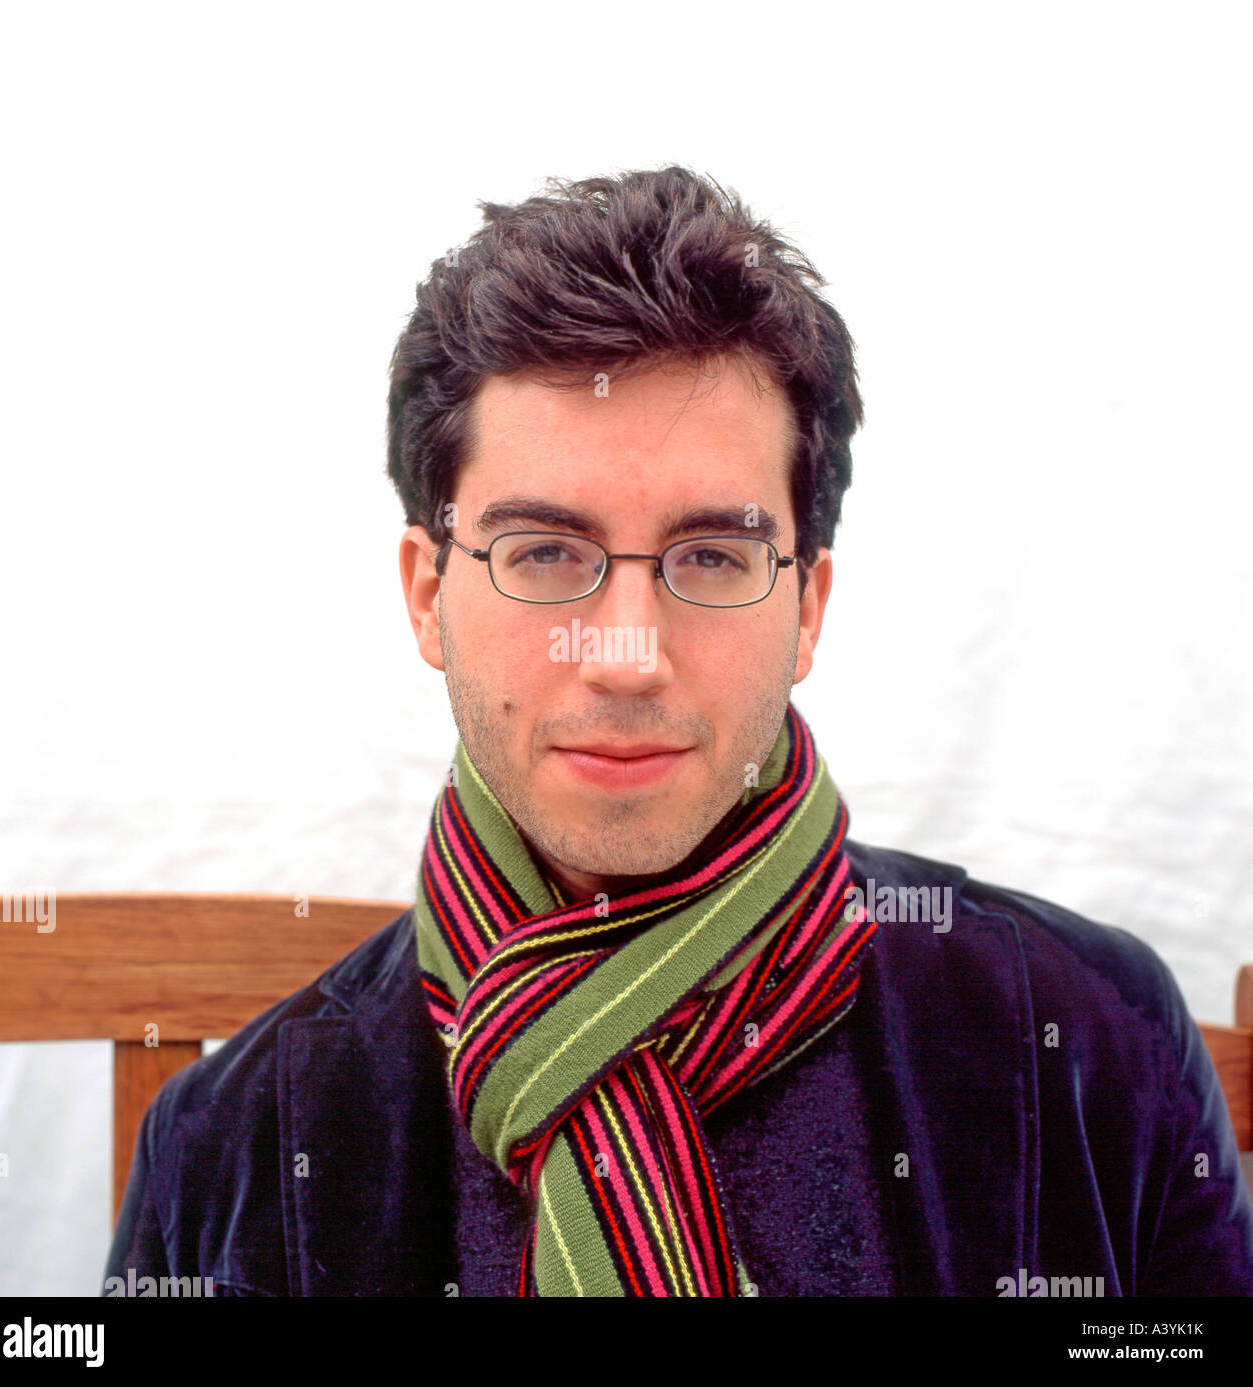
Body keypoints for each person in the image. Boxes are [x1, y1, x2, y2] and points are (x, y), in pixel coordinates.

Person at [104, 165, 1253, 1296]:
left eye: (712, 556)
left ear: (806, 606)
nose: (627, 655)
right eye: (545, 553)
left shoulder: (1088, 1041)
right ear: (426, 594)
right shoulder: (230, 1149)